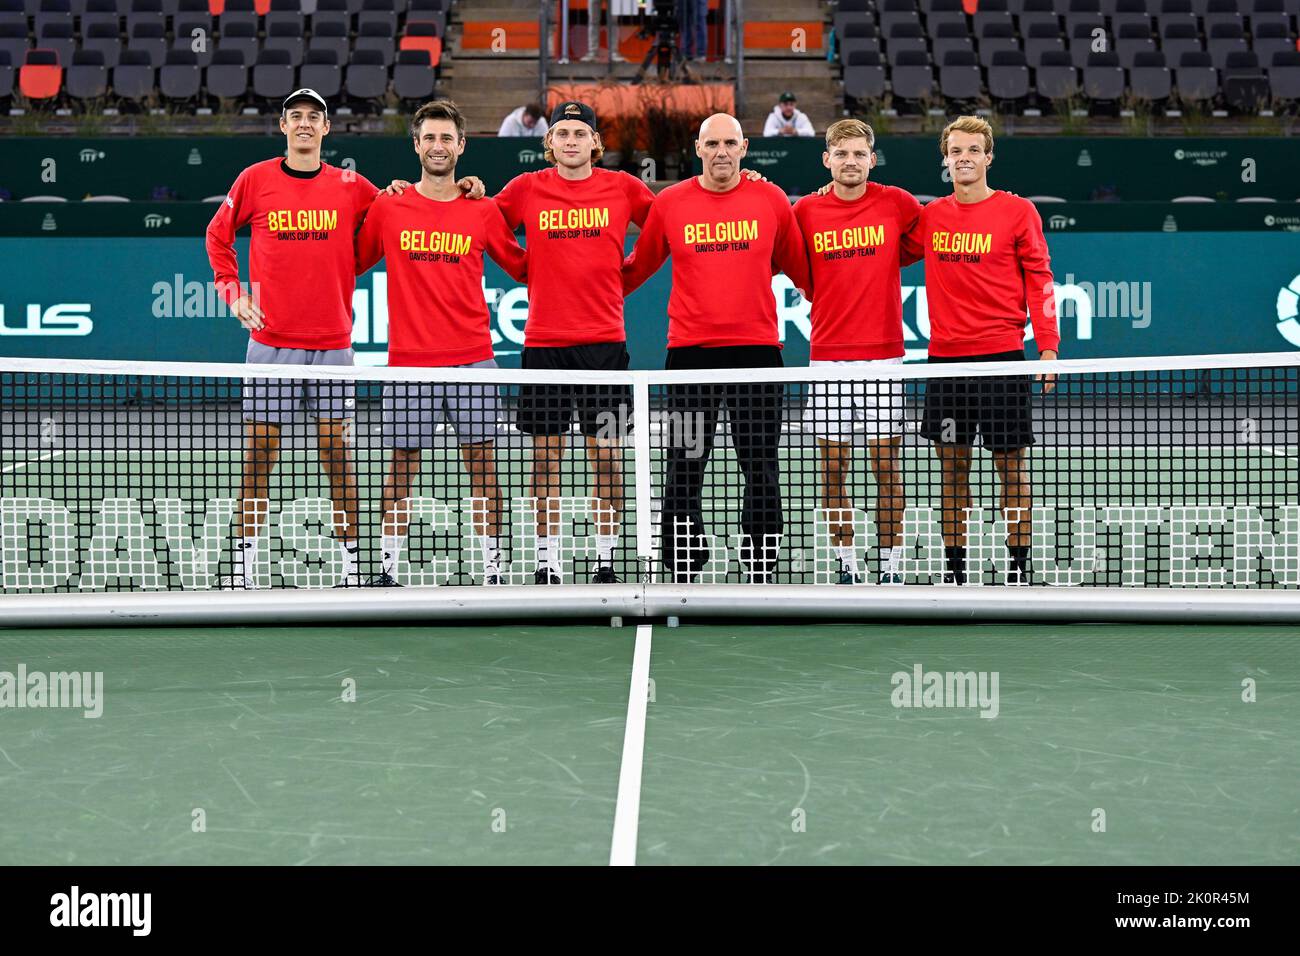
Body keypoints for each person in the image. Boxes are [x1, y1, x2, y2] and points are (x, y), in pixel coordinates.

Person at [622, 113, 811, 584]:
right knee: (684, 463)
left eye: (730, 143)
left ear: (744, 148)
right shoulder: (670, 203)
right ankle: (683, 564)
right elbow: (636, 268)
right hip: (691, 358)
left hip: (757, 357)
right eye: (712, 144)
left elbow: (804, 272)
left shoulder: (771, 199)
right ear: (698, 148)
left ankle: (762, 562)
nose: (721, 152)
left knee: (761, 465)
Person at [205, 88, 378, 589]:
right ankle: (243, 569)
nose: (305, 123)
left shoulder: (351, 184)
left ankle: (351, 567)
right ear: (283, 126)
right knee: (260, 452)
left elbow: (396, 214)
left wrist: (350, 266)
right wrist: (232, 292)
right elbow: (218, 235)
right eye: (296, 116)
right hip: (271, 341)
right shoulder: (254, 178)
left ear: (326, 128)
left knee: (336, 452)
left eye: (314, 117)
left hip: (333, 341)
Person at [354, 100, 529, 588]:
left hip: (473, 360)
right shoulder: (388, 206)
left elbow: (523, 267)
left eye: (446, 138)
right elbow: (349, 263)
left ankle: (493, 571)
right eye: (429, 137)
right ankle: (387, 571)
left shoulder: (482, 209)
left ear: (461, 146)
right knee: (402, 465)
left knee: (483, 465)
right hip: (409, 364)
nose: (437, 146)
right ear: (416, 145)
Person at [495, 100, 656, 585]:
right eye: (562, 133)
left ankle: (604, 561)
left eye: (579, 133)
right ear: (550, 142)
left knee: (606, 459)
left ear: (594, 142)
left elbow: (666, 228)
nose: (570, 141)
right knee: (545, 460)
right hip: (544, 346)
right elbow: (483, 223)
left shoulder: (623, 187)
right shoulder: (526, 188)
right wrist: (525, 269)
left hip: (604, 346)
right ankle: (546, 561)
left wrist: (623, 279)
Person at [899, 115, 1059, 586]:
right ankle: (955, 574)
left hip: (1002, 360)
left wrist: (1048, 347)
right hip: (946, 364)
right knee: (953, 469)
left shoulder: (1018, 211)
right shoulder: (931, 217)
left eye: (973, 150)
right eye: (956, 151)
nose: (964, 158)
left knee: (1011, 467)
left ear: (989, 157)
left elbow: (1040, 279)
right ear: (945, 160)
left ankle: (1018, 572)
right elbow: (884, 247)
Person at [793, 118, 921, 585]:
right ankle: (847, 565)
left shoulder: (897, 203)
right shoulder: (805, 210)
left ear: (872, 159)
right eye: (842, 154)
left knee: (886, 467)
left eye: (859, 154)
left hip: (885, 359)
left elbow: (929, 237)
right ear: (827, 159)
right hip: (827, 358)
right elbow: (787, 257)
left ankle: (890, 568)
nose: (851, 161)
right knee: (833, 470)